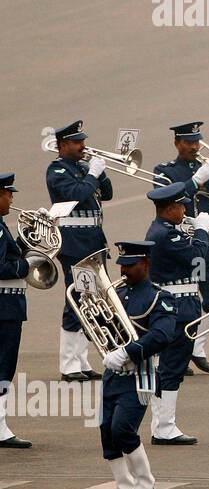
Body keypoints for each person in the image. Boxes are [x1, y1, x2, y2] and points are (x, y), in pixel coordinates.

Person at [97, 241, 169, 489]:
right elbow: (102, 327)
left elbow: (161, 335)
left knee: (122, 429)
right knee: (107, 435)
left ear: (146, 264)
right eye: (122, 265)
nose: (124, 270)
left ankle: (145, 486)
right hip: (113, 374)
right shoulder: (116, 294)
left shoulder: (158, 297)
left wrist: (128, 351)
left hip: (139, 375)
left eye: (130, 264)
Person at [152, 120, 209, 373]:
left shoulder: (203, 165)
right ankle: (178, 350)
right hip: (182, 243)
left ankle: (195, 346)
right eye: (189, 142)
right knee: (186, 297)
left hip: (206, 239)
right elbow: (165, 196)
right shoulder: (166, 171)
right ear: (177, 143)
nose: (194, 146)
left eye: (197, 141)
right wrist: (196, 180)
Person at [144, 180, 209, 445]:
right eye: (181, 207)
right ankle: (164, 427)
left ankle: (162, 425)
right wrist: (202, 232)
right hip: (179, 305)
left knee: (169, 366)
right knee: (173, 366)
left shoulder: (165, 229)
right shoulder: (167, 234)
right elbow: (197, 257)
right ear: (170, 207)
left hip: (178, 302)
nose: (185, 212)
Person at [46, 120, 111, 382]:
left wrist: (100, 172)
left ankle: (82, 360)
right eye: (76, 142)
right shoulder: (57, 171)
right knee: (76, 300)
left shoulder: (83, 167)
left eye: (82, 141)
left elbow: (106, 193)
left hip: (94, 240)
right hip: (74, 242)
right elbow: (78, 194)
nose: (82, 145)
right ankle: (69, 364)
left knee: (93, 302)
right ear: (62, 145)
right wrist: (93, 174)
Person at [0, 173, 33, 448]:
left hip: (8, 305)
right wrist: (27, 265)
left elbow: (8, 254)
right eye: (8, 194)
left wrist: (26, 241)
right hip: (4, 306)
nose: (11, 199)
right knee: (3, 366)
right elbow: (2, 266)